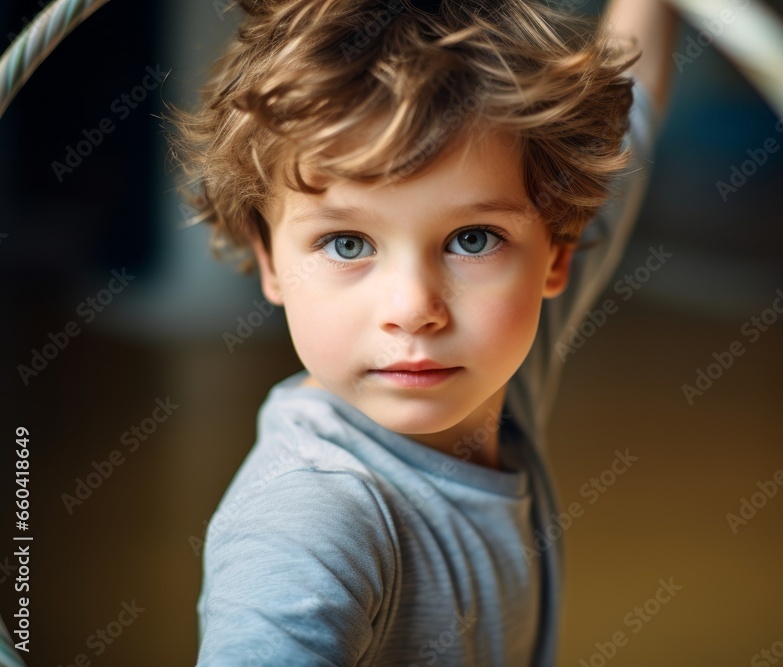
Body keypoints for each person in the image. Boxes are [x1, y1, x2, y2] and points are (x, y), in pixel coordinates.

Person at [165, 0, 675, 663]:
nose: (413, 310)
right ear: (269, 262)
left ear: (556, 255)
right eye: (348, 243)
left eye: (473, 239)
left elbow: (631, 108)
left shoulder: (501, 358)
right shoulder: (310, 520)